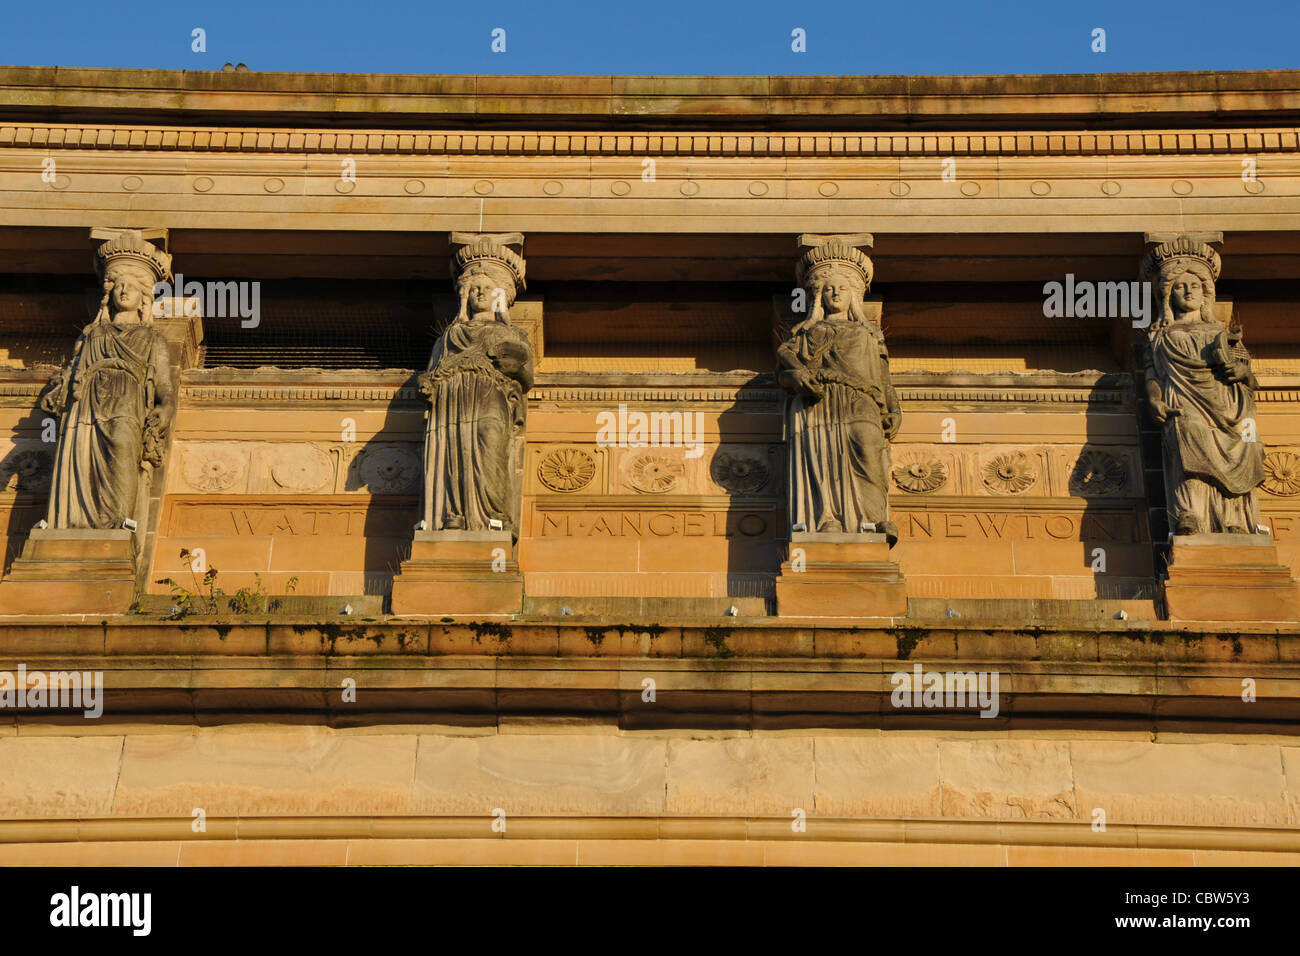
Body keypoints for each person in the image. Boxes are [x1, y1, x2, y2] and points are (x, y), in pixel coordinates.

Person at [41, 232, 174, 531]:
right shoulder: (93, 334)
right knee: (81, 456)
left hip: (127, 399)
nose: (123, 291)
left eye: (131, 286)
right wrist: (60, 388)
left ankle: (118, 523)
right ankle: (73, 523)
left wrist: (165, 408)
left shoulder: (153, 338)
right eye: (118, 285)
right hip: (87, 398)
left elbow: (165, 387)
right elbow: (72, 370)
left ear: (144, 296)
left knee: (122, 446)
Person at [778, 239, 900, 544]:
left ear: (853, 295)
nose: (835, 293)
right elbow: (786, 369)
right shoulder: (807, 332)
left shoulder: (869, 333)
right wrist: (797, 375)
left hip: (863, 401)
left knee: (869, 450)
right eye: (829, 288)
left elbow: (883, 375)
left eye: (842, 288)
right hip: (821, 400)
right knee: (824, 458)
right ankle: (827, 518)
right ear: (819, 295)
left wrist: (893, 407)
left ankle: (873, 520)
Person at [1141, 237, 1263, 535]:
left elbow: (1248, 376)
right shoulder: (1159, 336)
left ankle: (1234, 521)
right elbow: (1151, 374)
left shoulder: (1220, 333)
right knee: (1188, 438)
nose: (1188, 291)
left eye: (1195, 286)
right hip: (1185, 401)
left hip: (1228, 405)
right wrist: (1155, 399)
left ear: (1206, 293)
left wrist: (1239, 371)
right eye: (1180, 286)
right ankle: (1191, 515)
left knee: (1242, 445)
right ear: (1168, 294)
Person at [418, 237, 534, 538]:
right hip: (453, 398)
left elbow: (525, 376)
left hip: (491, 396)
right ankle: (453, 515)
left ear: (501, 295)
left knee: (489, 443)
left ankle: (492, 516)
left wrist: (513, 363)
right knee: (455, 452)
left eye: (486, 287)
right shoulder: (450, 336)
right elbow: (431, 375)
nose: (479, 292)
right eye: (473, 288)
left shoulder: (514, 333)